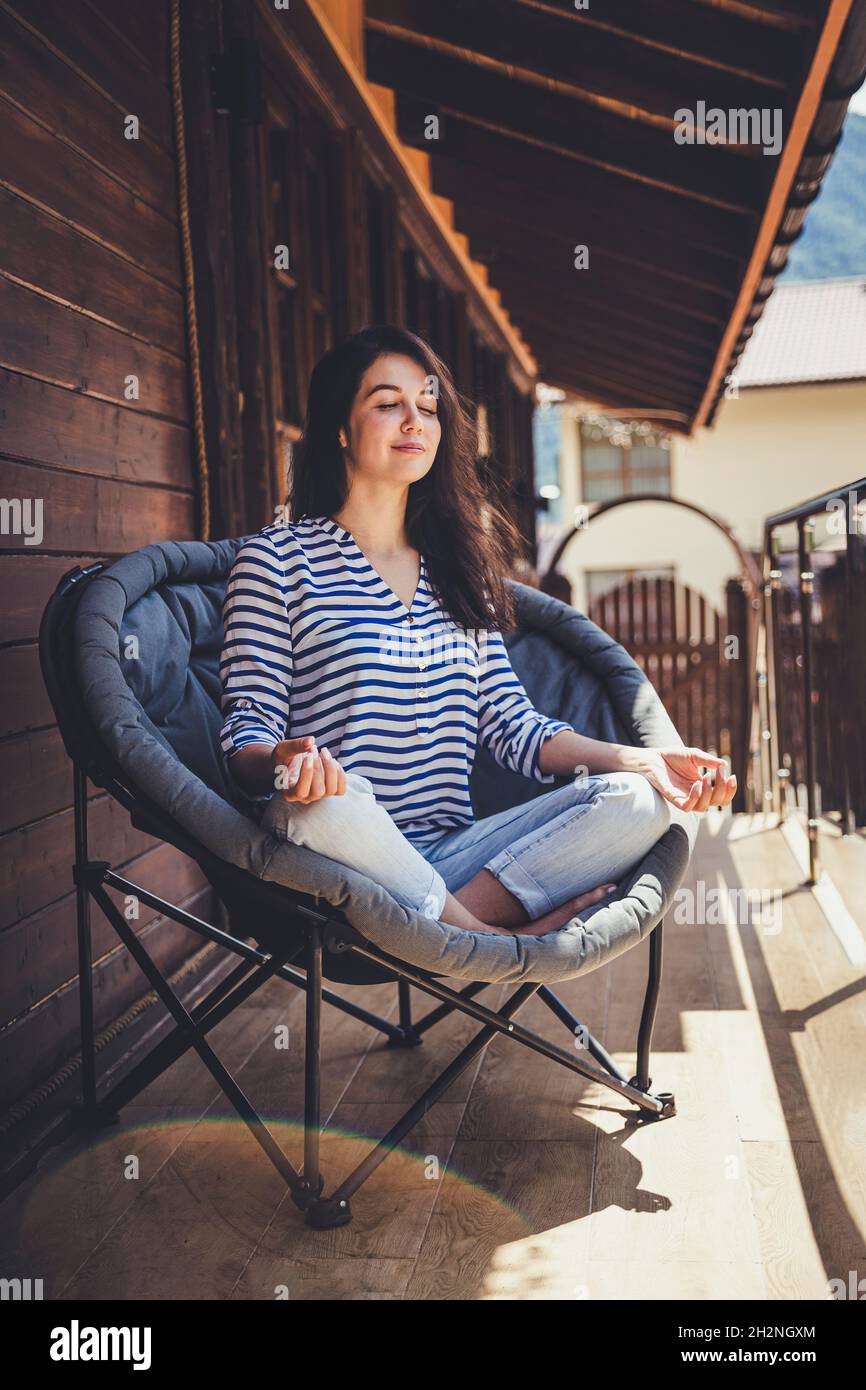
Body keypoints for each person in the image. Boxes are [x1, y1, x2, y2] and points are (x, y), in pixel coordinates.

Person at [218, 325, 735, 938]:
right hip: (338, 859)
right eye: (388, 404)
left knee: (641, 803)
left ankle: (451, 928)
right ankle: (489, 941)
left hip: (452, 857)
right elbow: (244, 728)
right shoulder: (276, 561)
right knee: (318, 802)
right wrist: (284, 760)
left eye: (428, 407)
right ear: (339, 428)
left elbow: (514, 727)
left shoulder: (459, 571)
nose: (414, 421)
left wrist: (645, 761)